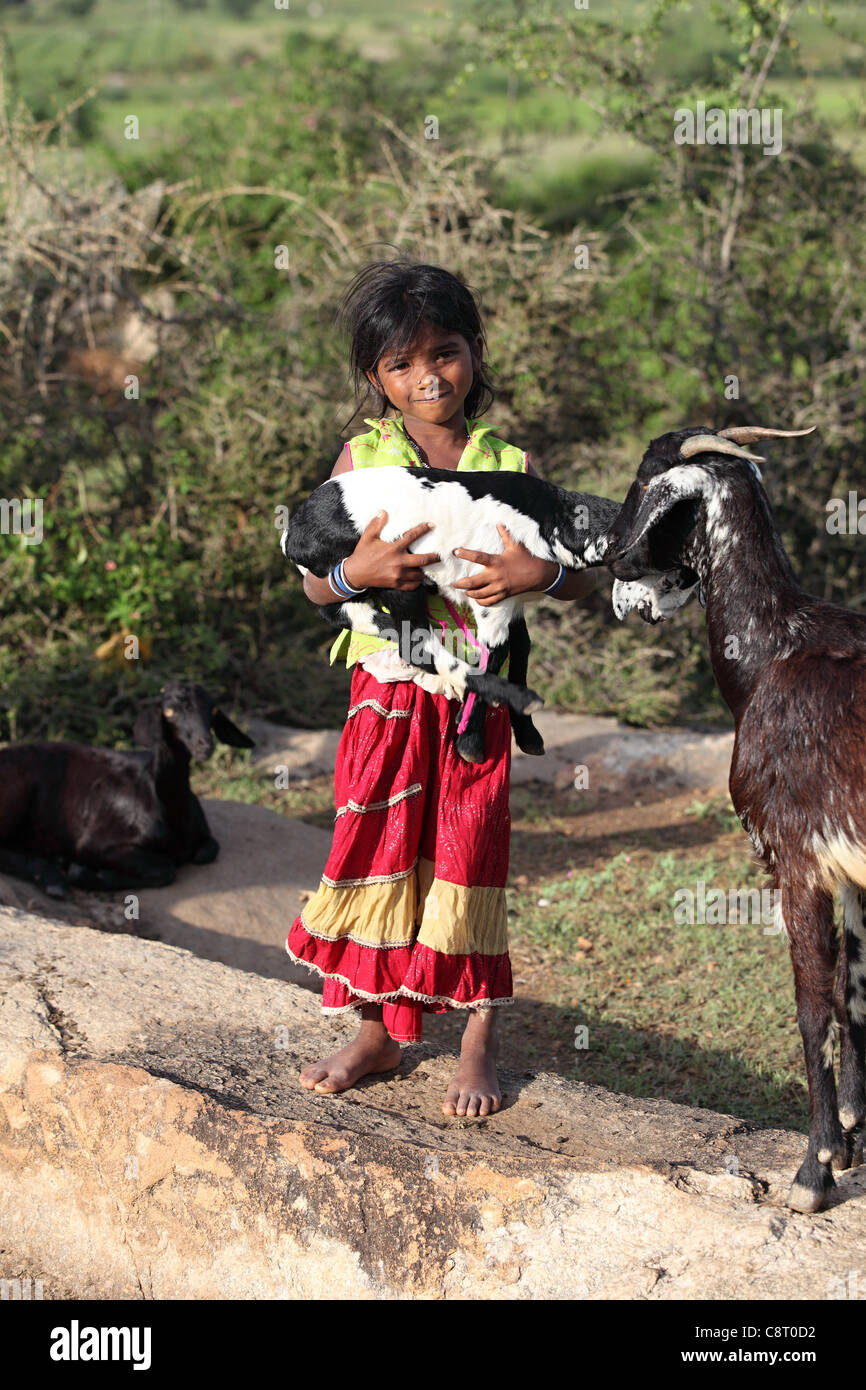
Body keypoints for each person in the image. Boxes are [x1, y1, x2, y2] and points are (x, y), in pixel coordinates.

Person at [287, 259, 597, 1117]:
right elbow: (316, 581)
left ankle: (476, 1040)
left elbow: (580, 578)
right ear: (374, 378)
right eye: (400, 364)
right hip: (386, 692)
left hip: (475, 700)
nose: (427, 377)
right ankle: (380, 1033)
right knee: (380, 851)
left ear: (474, 353)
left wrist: (542, 571)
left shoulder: (506, 460)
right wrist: (357, 572)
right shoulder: (364, 457)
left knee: (468, 854)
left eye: (445, 353)